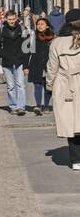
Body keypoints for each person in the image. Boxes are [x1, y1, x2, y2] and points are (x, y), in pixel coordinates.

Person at [46, 9, 80, 170]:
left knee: (70, 123)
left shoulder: (57, 43)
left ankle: (75, 160)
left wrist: (49, 85)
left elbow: (52, 67)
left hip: (64, 83)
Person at [0, 10, 29, 115]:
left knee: (21, 85)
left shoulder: (23, 29)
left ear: (16, 19)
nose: (11, 21)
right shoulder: (1, 31)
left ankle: (21, 106)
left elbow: (27, 47)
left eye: (13, 19)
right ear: (6, 19)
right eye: (9, 19)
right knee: (10, 86)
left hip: (19, 61)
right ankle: (13, 106)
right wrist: (2, 54)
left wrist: (26, 63)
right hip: (7, 61)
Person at [28, 17, 56, 115]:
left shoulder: (53, 37)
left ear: (47, 26)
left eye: (42, 24)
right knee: (37, 85)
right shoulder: (32, 37)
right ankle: (38, 105)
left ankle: (47, 106)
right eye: (38, 24)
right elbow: (27, 52)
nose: (40, 26)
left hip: (49, 65)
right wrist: (25, 66)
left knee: (48, 86)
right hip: (36, 64)